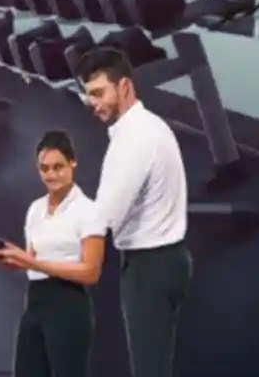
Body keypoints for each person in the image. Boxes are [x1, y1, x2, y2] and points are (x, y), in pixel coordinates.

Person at [77, 47, 192, 377]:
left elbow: (104, 218)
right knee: (155, 362)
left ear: (124, 86)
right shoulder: (151, 126)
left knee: (149, 368)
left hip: (149, 268)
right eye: (89, 96)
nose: (93, 104)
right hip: (170, 259)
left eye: (99, 93)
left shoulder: (133, 141)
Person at [0, 130, 106, 377]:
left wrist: (33, 263)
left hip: (69, 307)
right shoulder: (35, 209)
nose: (51, 174)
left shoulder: (89, 211)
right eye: (44, 168)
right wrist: (13, 259)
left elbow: (91, 271)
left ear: (73, 162)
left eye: (58, 167)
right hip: (36, 304)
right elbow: (33, 261)